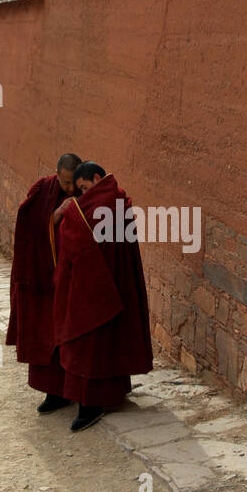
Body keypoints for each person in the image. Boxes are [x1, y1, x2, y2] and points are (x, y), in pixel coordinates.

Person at [51, 161, 153, 431]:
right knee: (110, 340)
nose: (82, 194)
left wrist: (67, 216)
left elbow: (81, 234)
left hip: (98, 285)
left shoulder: (105, 203)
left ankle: (92, 402)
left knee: (91, 340)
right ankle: (112, 392)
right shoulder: (116, 198)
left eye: (84, 187)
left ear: (96, 178)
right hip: (114, 282)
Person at [6, 153, 81, 413]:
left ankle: (78, 390)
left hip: (73, 280)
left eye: (74, 184)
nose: (71, 189)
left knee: (73, 336)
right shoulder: (42, 190)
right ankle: (54, 392)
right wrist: (56, 215)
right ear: (57, 175)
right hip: (44, 279)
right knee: (47, 335)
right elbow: (27, 228)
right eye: (66, 183)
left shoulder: (85, 191)